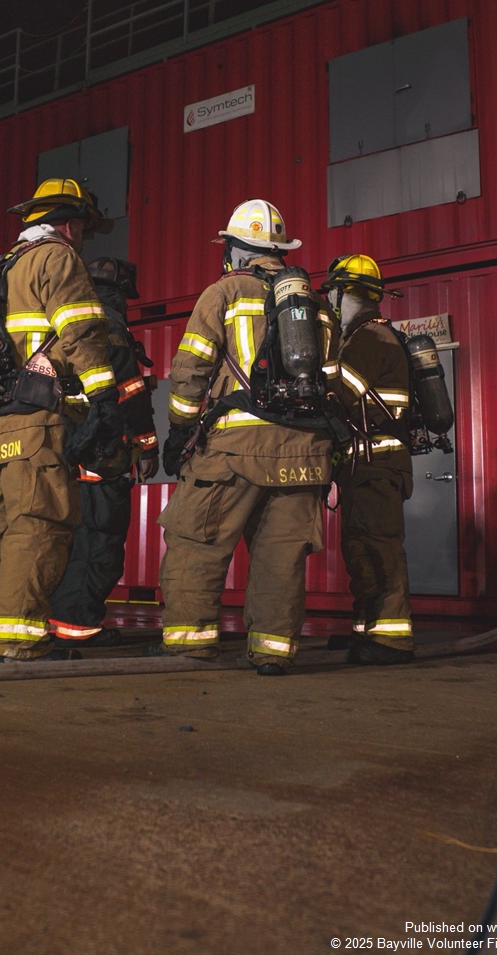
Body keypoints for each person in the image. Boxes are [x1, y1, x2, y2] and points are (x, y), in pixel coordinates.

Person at [150, 199, 340, 676]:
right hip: (305, 453)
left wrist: (179, 430)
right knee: (281, 555)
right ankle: (273, 652)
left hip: (235, 450)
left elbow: (191, 369)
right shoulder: (316, 305)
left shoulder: (225, 292)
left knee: (196, 541)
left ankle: (189, 645)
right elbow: (331, 379)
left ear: (235, 249)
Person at [0, 178, 124, 665]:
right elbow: (80, 330)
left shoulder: (1, 268)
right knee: (36, 526)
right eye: (84, 228)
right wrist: (103, 395)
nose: (84, 237)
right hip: (36, 422)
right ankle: (18, 639)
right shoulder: (57, 257)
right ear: (69, 223)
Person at [49, 256, 159, 648]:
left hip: (58, 455)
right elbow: (129, 394)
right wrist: (148, 446)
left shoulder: (60, 326)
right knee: (100, 544)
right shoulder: (111, 328)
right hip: (100, 461)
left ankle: (51, 619)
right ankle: (76, 624)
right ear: (117, 295)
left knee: (62, 540)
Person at [322, 254, 414, 665]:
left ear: (344, 293)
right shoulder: (365, 335)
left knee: (379, 549)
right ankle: (367, 630)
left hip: (378, 465)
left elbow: (337, 394)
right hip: (367, 466)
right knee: (362, 548)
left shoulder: (369, 338)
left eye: (333, 294)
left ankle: (391, 639)